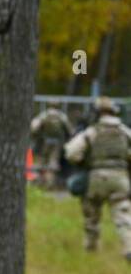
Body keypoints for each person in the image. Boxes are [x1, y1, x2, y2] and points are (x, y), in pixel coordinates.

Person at [64, 96, 131, 259]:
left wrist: (83, 161)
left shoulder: (91, 132)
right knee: (123, 216)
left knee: (91, 217)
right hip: (120, 178)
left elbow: (71, 152)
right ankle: (129, 247)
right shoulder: (125, 132)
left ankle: (91, 251)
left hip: (96, 178)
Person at [30, 104, 73, 189]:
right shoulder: (62, 116)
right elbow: (70, 130)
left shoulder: (43, 115)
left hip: (43, 142)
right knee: (53, 162)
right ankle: (50, 184)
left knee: (40, 161)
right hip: (57, 143)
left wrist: (35, 136)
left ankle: (37, 182)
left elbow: (34, 128)